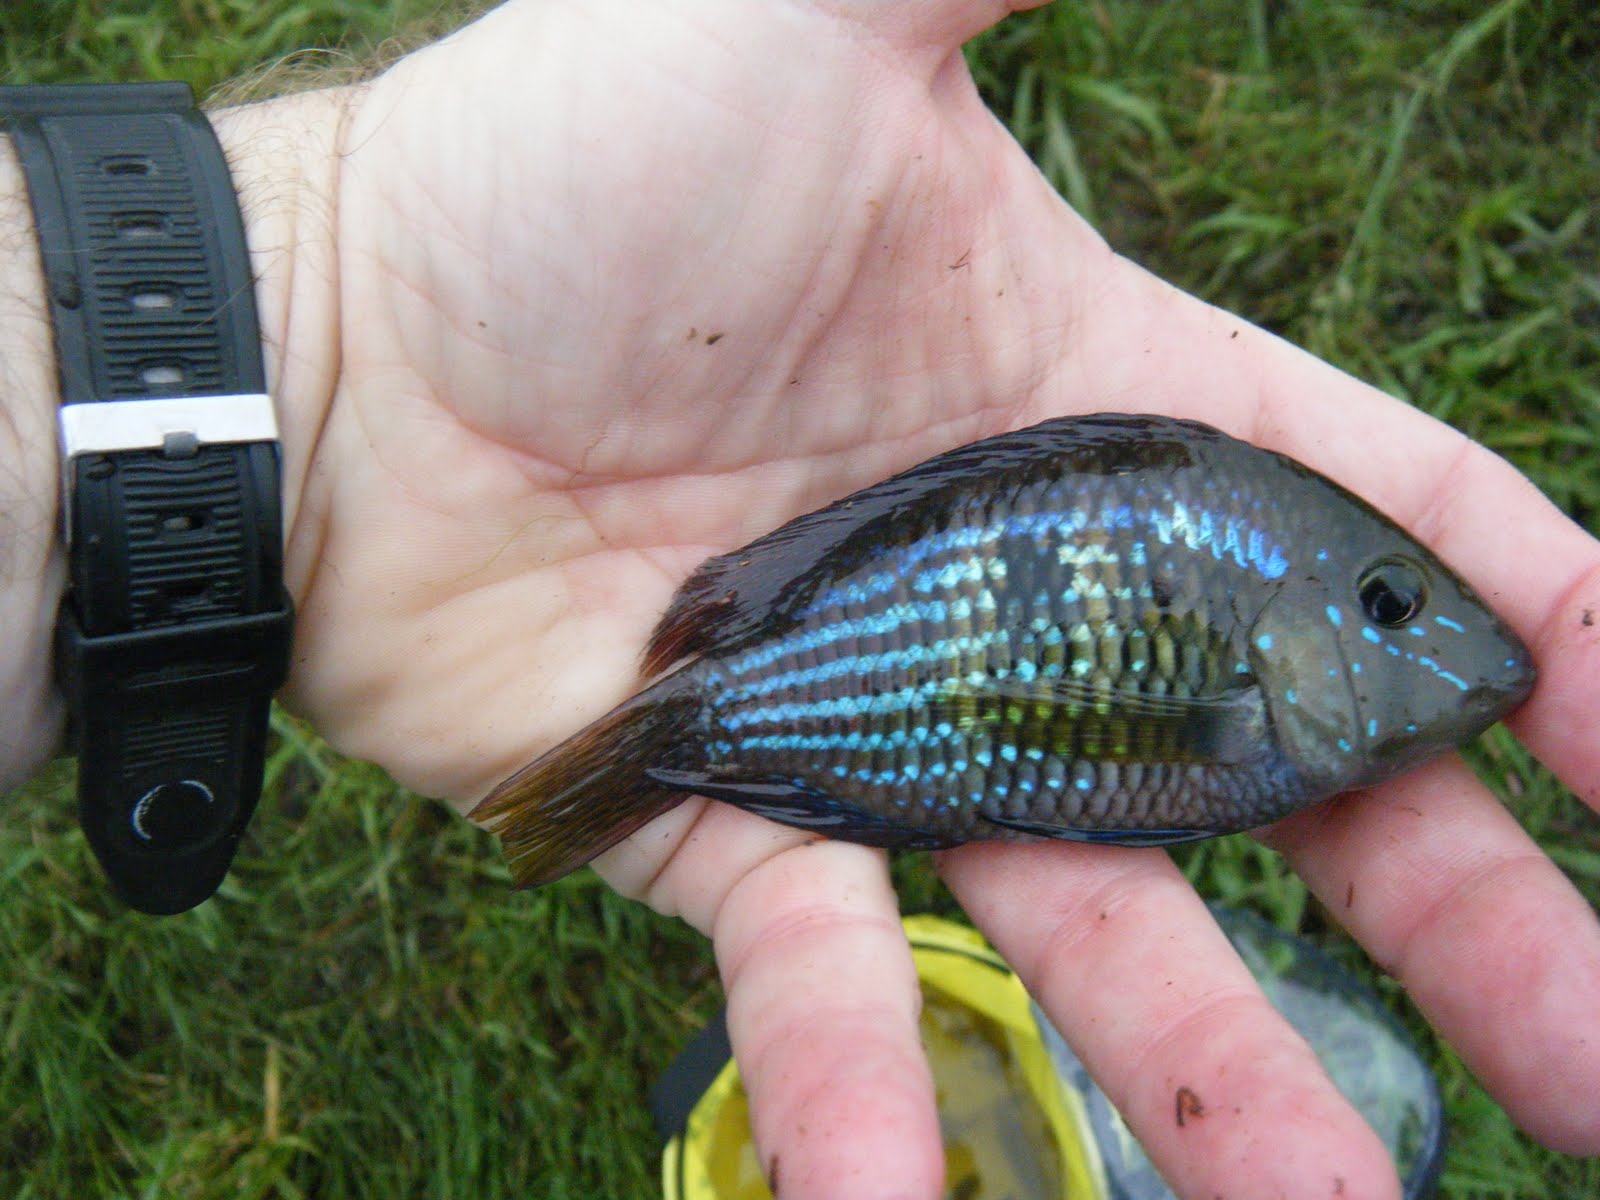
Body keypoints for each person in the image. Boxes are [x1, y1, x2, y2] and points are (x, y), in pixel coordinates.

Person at [2, 2, 1597, 1197]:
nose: (1441, 649)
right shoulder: (1231, 684)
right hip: (801, 680)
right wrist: (334, 316)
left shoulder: (1256, 669)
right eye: (1389, 604)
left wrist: (303, 329)